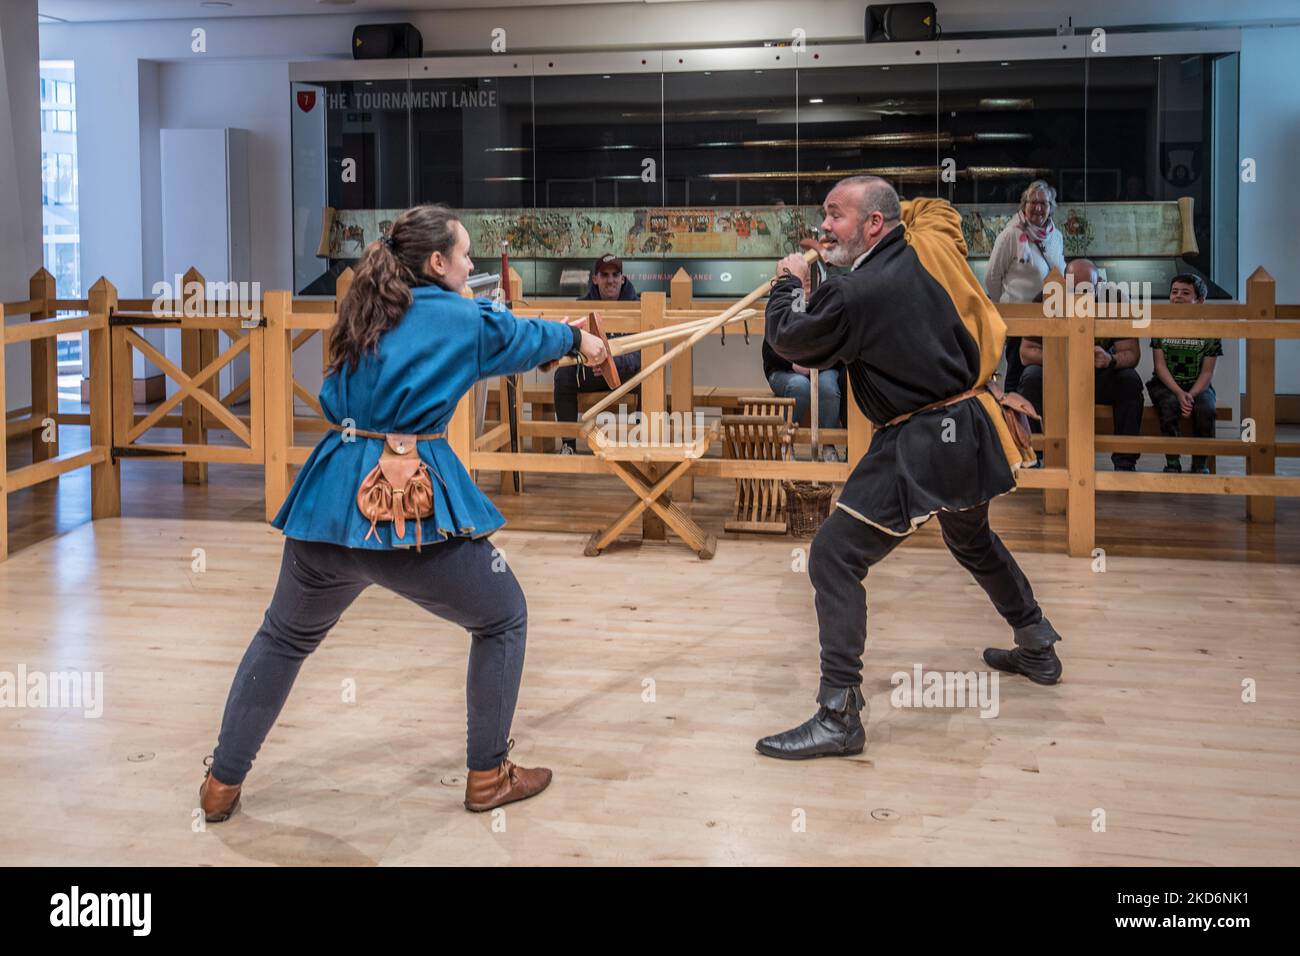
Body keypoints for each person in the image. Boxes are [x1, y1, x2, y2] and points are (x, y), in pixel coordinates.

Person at [198, 204, 610, 821]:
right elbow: (522, 337)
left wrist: (546, 346)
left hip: (328, 504)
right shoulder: (460, 317)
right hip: (407, 508)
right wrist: (580, 340)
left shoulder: (366, 308)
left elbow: (493, 346)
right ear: (437, 262)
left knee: (282, 638)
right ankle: (488, 776)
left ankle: (220, 786)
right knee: (504, 616)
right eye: (466, 256)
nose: (472, 267)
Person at [756, 176, 1064, 762]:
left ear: (875, 225)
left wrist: (787, 282)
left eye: (836, 216)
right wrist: (863, 224)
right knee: (971, 538)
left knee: (833, 556)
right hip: (973, 425)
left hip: (924, 440)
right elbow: (930, 210)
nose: (824, 227)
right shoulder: (930, 243)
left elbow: (792, 338)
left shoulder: (859, 291)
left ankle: (838, 713)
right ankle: (1036, 641)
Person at [1017, 259, 1145, 470]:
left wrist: (1109, 359)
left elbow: (1131, 353)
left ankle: (1125, 460)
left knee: (1130, 380)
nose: (1079, 297)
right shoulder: (1046, 298)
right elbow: (1026, 352)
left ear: (1098, 284)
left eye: (1086, 291)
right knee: (1031, 377)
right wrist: (1064, 357)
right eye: (1073, 290)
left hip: (1097, 374)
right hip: (1059, 376)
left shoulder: (1114, 299)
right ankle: (1033, 455)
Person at [554, 254, 642, 453]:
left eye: (615, 274)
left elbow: (641, 354)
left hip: (625, 374)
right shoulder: (581, 305)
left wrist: (612, 364)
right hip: (591, 371)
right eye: (605, 275)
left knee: (649, 374)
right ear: (595, 279)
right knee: (563, 376)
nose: (610, 280)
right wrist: (588, 362)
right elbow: (571, 347)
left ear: (623, 278)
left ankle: (641, 441)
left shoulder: (639, 306)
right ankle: (568, 445)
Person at [984, 180, 1066, 393]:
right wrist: (1009, 305)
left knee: (1043, 377)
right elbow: (992, 277)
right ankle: (1013, 424)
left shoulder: (1056, 236)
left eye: (1044, 203)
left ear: (1051, 207)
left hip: (1048, 318)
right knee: (1016, 376)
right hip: (1018, 319)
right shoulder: (1012, 235)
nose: (1038, 207)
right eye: (1033, 202)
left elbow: (1061, 271)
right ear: (1024, 205)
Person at [1148, 274, 1221, 473]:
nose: (1178, 296)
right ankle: (1172, 461)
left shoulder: (1209, 330)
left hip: (1198, 385)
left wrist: (1191, 394)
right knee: (1170, 405)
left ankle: (1200, 463)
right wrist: (1180, 393)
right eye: (1174, 292)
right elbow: (1160, 366)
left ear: (1200, 301)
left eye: (1186, 293)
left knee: (1206, 409)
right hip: (1166, 384)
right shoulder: (1161, 325)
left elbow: (1207, 372)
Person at [762, 339, 845, 461]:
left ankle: (828, 445)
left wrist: (821, 363)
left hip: (825, 367)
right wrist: (793, 365)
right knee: (799, 386)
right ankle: (786, 443)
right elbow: (768, 353)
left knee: (829, 390)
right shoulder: (778, 320)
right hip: (785, 369)